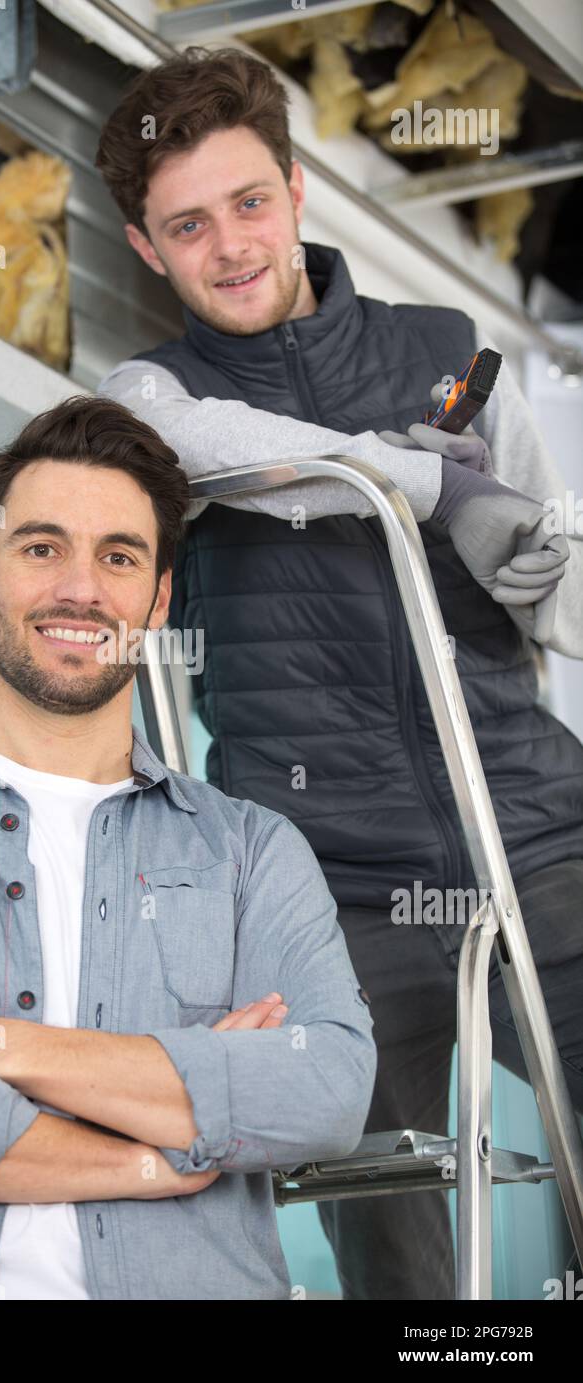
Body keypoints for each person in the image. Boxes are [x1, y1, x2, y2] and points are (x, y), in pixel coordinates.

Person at [94, 45, 583, 1300]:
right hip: (331, 899)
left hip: (542, 840)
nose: (231, 245)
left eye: (249, 202)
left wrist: (534, 556)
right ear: (148, 251)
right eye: (186, 225)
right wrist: (433, 483)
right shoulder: (153, 402)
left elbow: (560, 593)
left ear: (298, 191)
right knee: (400, 1266)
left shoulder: (453, 353)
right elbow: (205, 446)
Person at [0, 394, 376, 1301]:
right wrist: (160, 1151)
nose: (81, 589)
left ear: (159, 599)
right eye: (41, 547)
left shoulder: (252, 853)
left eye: (118, 557)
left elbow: (326, 1092)